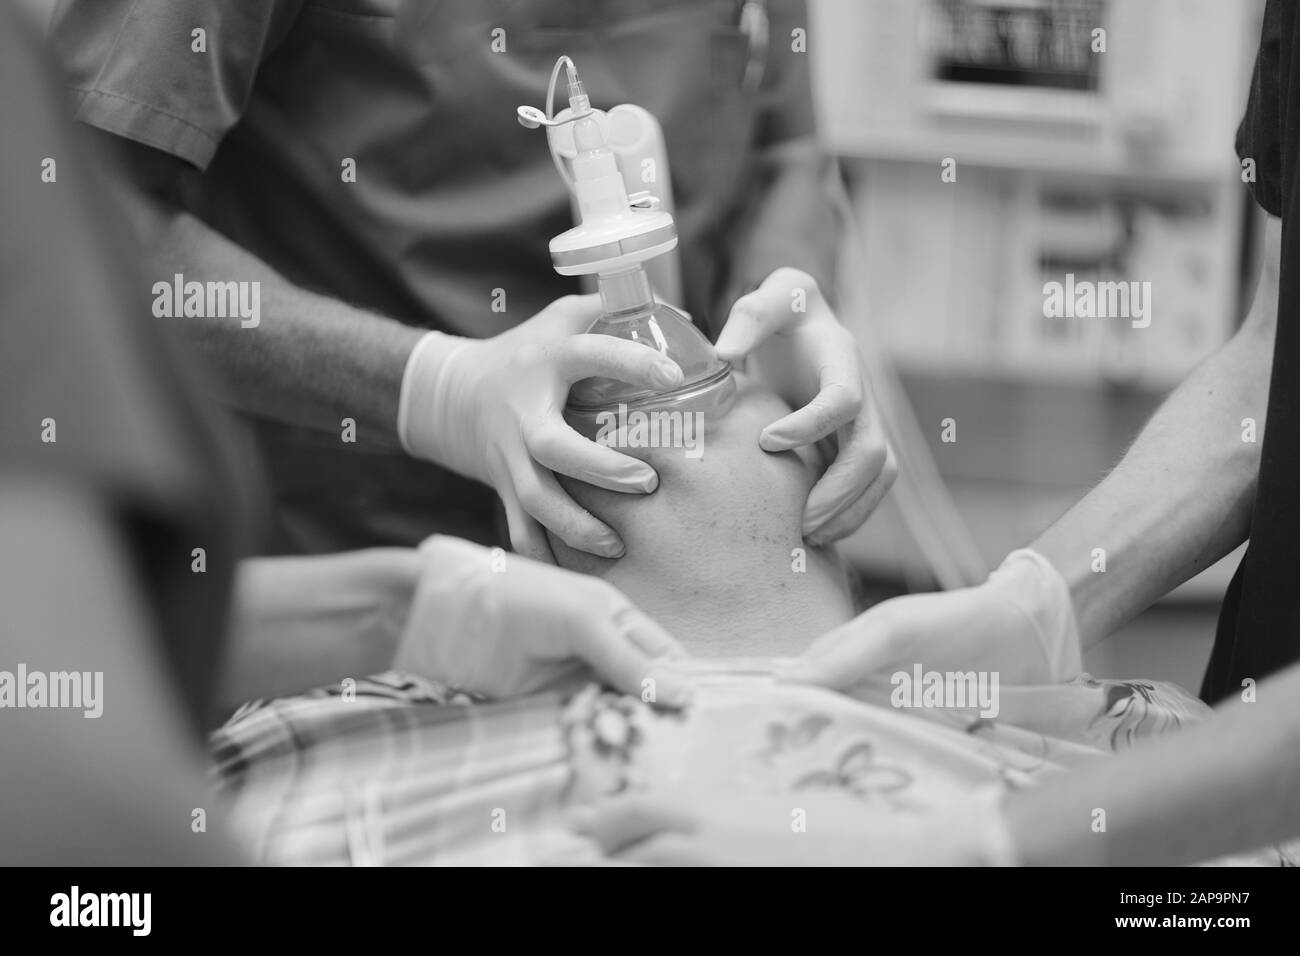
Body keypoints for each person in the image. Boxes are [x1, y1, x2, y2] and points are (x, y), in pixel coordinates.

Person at [572, 1, 1300, 865]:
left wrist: (990, 844)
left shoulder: (1115, 765)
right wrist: (1031, 606)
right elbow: (1276, 363)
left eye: (719, 397)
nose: (712, 394)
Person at [0, 6, 690, 863]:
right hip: (324, 548)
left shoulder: (892, 674)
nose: (697, 401)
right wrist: (434, 387)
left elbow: (786, 146)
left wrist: (406, 608)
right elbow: (62, 761)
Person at [49, 0, 894, 563]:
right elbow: (77, 225)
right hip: (346, 552)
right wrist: (435, 389)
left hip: (677, 540)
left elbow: (787, 147)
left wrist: (779, 313)